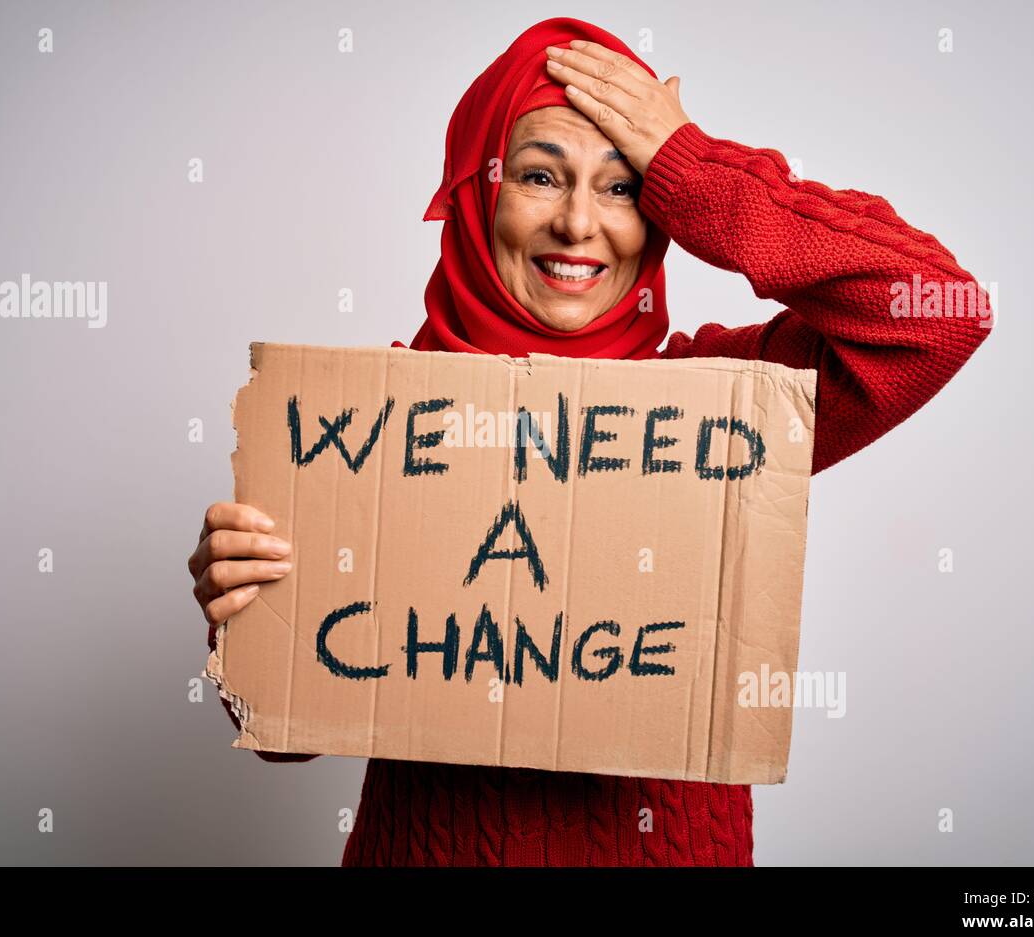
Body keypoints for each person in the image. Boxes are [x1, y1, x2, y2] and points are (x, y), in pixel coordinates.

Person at [186, 17, 991, 866]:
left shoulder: (724, 410)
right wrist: (244, 617)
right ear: (475, 189)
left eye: (621, 188)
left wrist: (692, 165)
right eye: (539, 175)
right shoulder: (365, 428)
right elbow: (282, 734)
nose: (578, 224)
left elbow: (939, 311)